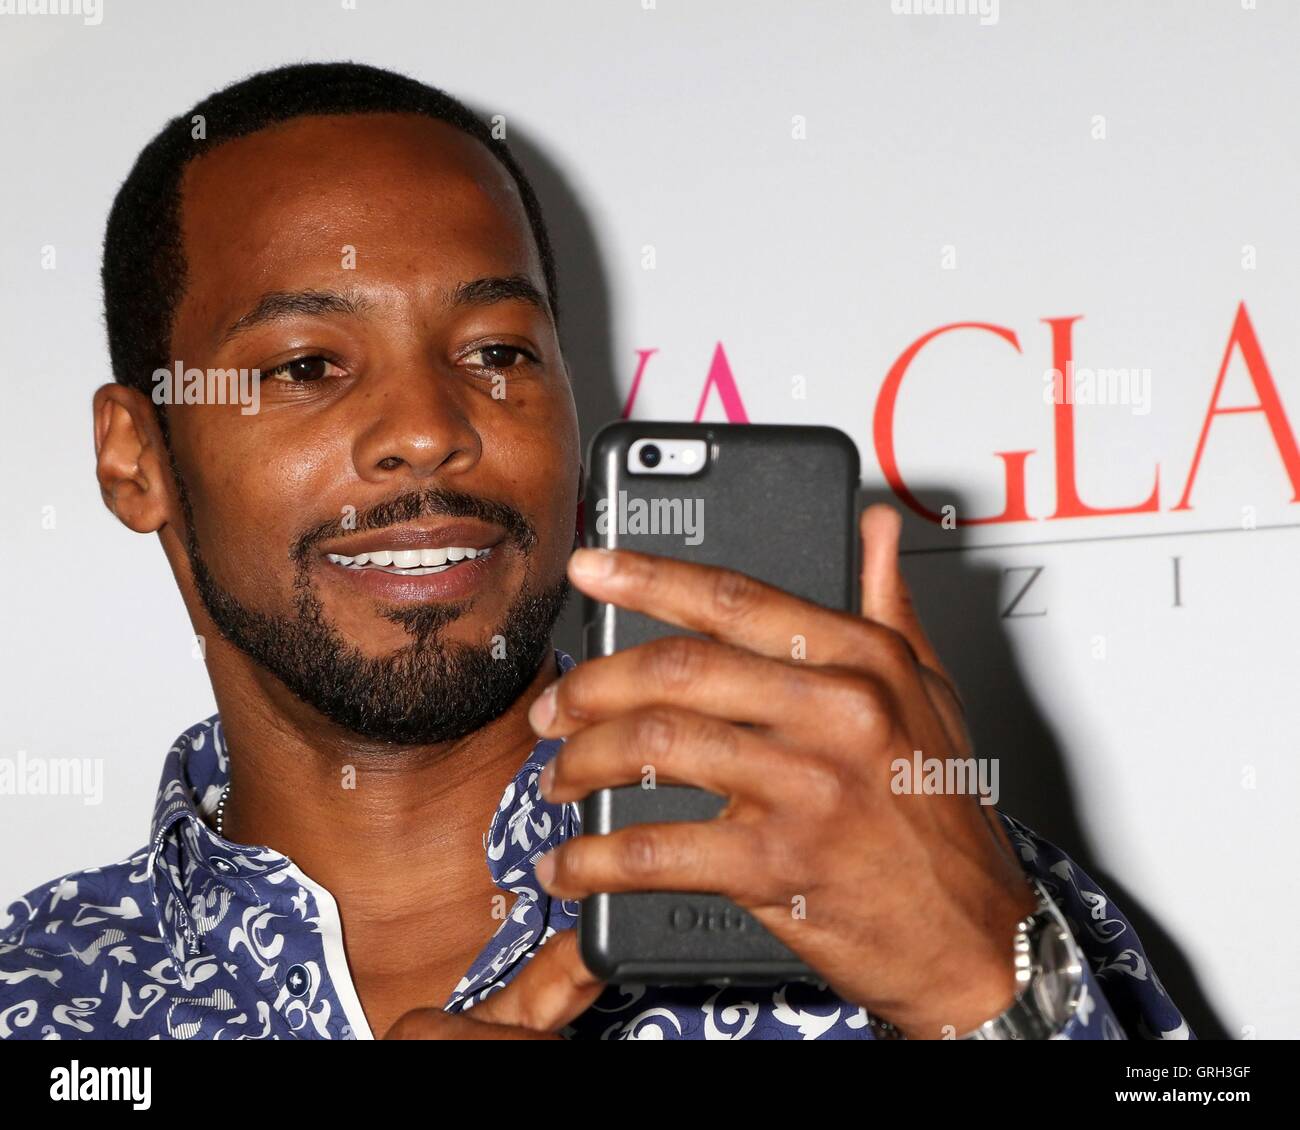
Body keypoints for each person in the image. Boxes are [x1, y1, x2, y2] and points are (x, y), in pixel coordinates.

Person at [0, 62, 1190, 1041]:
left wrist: (991, 991)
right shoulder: (38, 997)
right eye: (307, 364)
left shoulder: (882, 875)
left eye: (497, 352)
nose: (430, 429)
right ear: (136, 457)